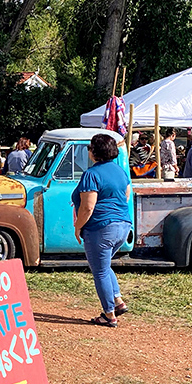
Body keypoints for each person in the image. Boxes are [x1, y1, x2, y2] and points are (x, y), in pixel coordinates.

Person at [72, 134, 132, 328]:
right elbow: (126, 195)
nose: (88, 151)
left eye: (90, 148)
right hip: (122, 225)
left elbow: (88, 207)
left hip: (100, 227)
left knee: (99, 271)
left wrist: (78, 226)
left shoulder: (92, 174)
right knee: (104, 266)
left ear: (94, 152)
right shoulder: (120, 171)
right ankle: (118, 301)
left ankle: (109, 314)